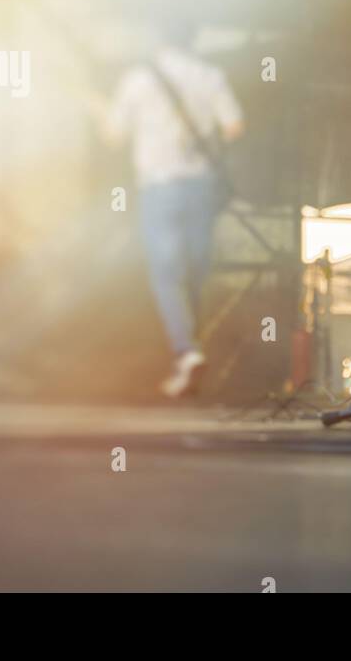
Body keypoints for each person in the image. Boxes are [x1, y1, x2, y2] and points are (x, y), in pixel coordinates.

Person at [95, 40, 244, 397]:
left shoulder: (137, 80)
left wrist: (98, 109)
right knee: (195, 270)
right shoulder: (210, 76)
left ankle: (188, 351)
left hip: (159, 187)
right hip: (201, 185)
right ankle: (191, 350)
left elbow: (113, 136)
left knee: (166, 274)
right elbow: (235, 126)